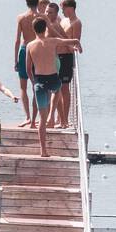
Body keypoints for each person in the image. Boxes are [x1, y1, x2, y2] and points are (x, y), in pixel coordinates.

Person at [25, 18, 83, 158]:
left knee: (42, 120)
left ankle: (43, 150)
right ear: (45, 28)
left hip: (39, 81)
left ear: (34, 30)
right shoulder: (53, 41)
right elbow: (72, 41)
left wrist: (33, 83)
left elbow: (28, 69)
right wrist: (78, 46)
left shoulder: (30, 45)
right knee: (57, 89)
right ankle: (53, 113)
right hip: (53, 79)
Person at [51, 0, 82, 129]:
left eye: (63, 8)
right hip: (57, 56)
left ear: (70, 8)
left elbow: (75, 41)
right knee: (56, 88)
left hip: (67, 57)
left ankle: (66, 118)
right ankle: (59, 118)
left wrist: (73, 47)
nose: (62, 11)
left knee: (64, 88)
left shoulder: (76, 22)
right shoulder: (62, 20)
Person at [13, 0, 44, 126]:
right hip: (37, 50)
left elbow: (17, 40)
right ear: (38, 3)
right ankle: (33, 120)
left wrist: (15, 60)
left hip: (24, 49)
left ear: (26, 3)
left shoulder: (21, 17)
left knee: (23, 87)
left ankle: (26, 116)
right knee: (36, 86)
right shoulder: (42, 17)